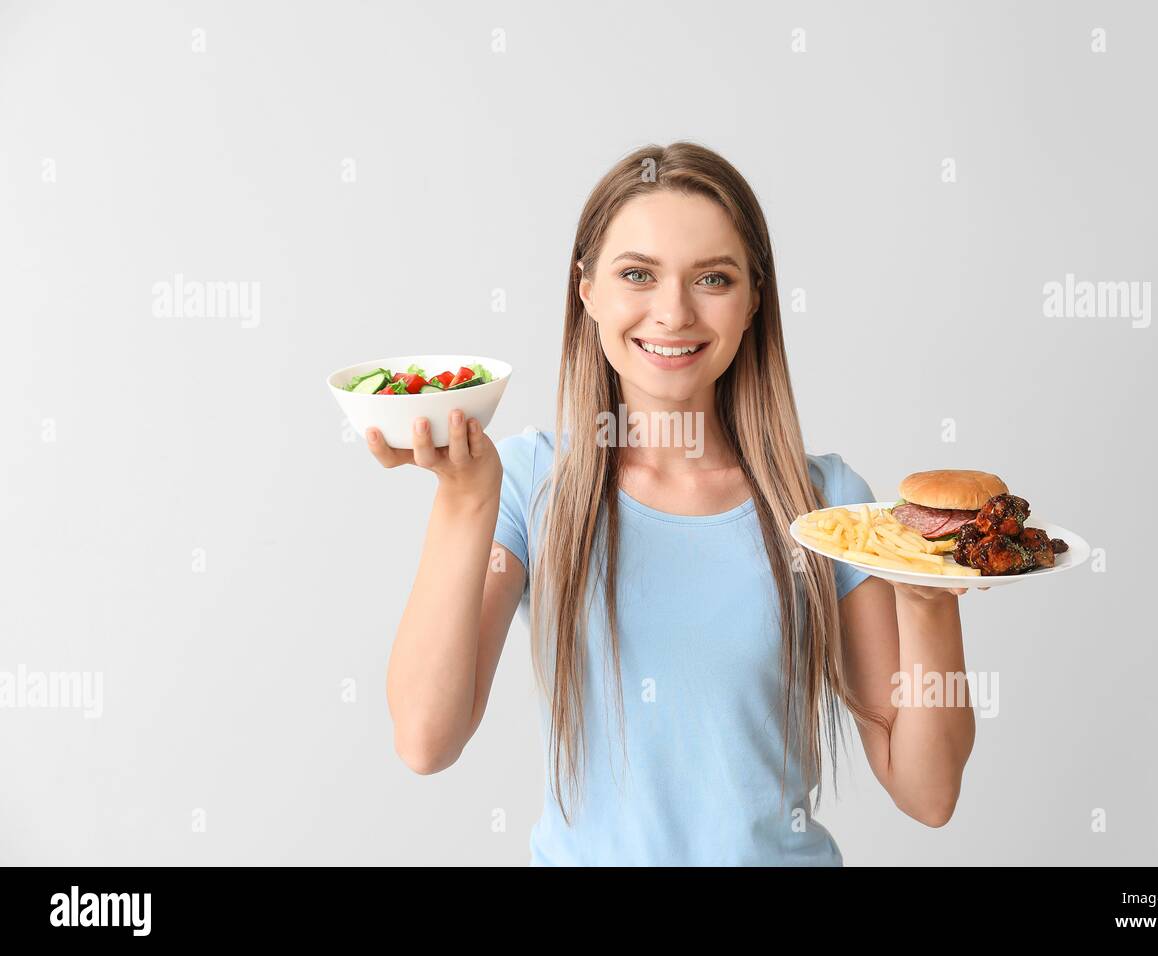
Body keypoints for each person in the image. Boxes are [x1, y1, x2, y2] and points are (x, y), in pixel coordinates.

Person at [369, 142, 976, 866]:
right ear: (586, 291)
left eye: (713, 278)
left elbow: (928, 792)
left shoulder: (828, 506)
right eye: (638, 274)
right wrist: (464, 501)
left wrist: (931, 599)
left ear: (753, 299)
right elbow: (426, 740)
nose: (674, 312)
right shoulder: (532, 482)